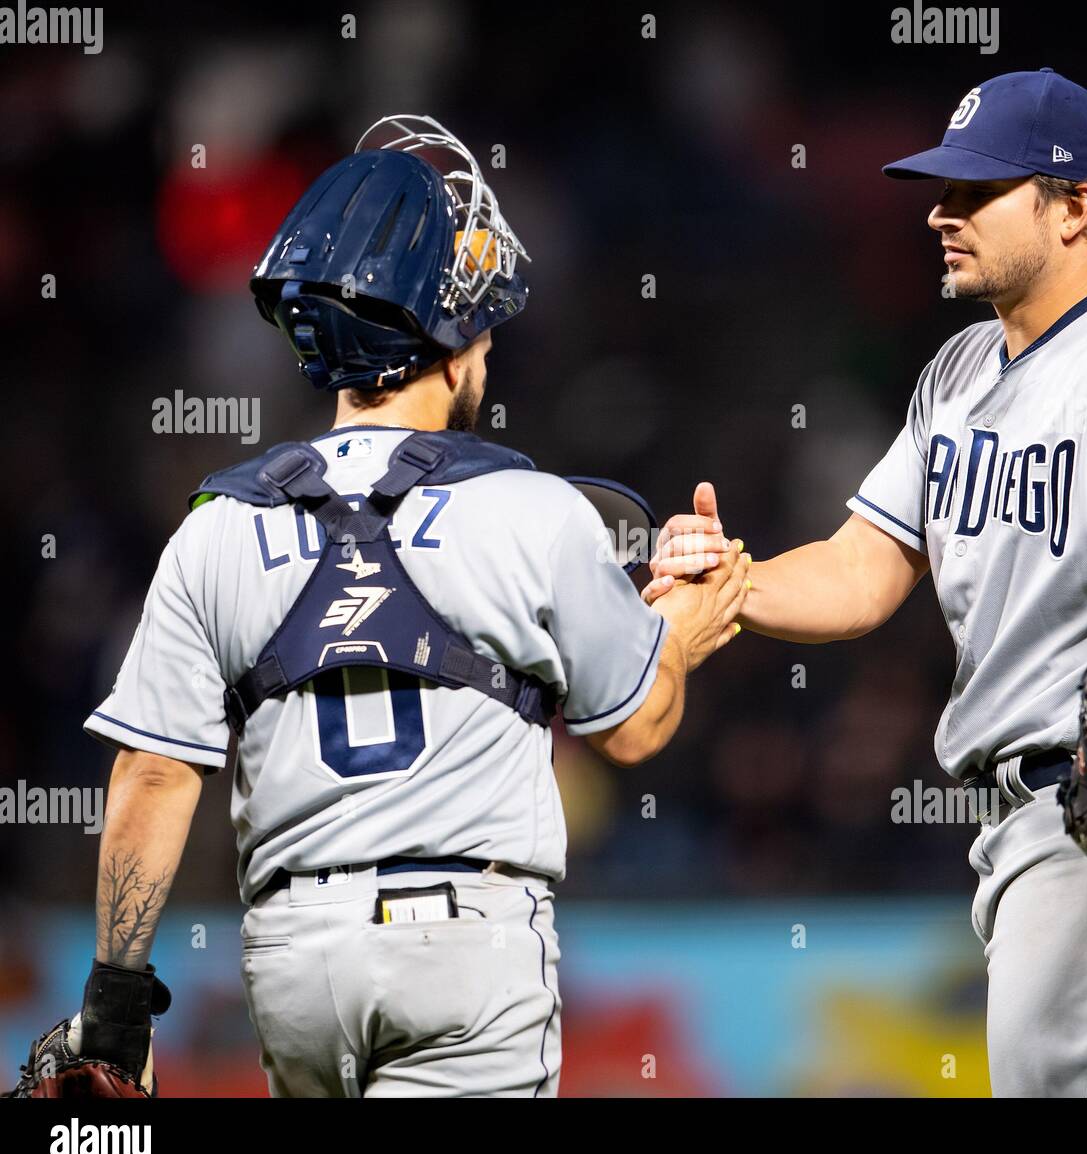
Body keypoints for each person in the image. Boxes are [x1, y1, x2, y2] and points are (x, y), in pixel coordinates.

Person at [50, 115, 749, 1099]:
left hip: (294, 959)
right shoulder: (532, 510)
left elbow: (152, 775)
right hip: (463, 947)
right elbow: (633, 730)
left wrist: (116, 995)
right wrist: (678, 621)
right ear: (457, 346)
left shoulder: (215, 524)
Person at [645, 70, 1087, 1097]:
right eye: (941, 188)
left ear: (1074, 208)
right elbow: (861, 570)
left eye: (976, 191)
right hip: (1029, 832)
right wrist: (734, 581)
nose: (939, 211)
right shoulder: (961, 369)